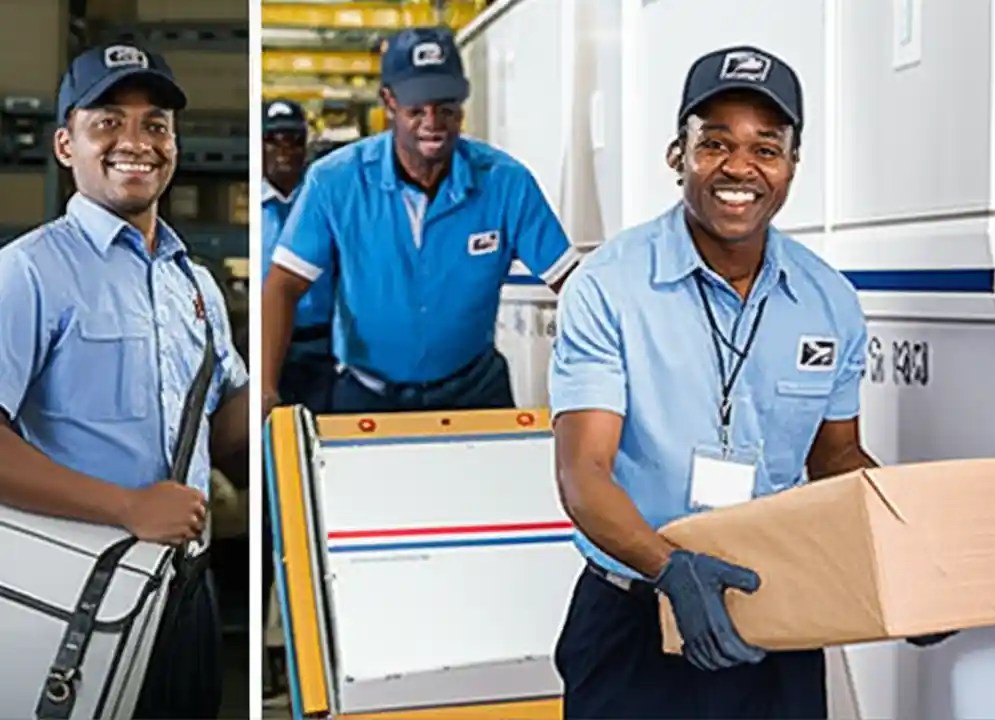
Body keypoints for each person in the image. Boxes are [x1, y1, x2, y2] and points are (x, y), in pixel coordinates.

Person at [547, 45, 878, 719]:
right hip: (633, 617)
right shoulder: (609, 287)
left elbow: (837, 458)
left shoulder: (829, 301)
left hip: (775, 613)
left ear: (791, 165)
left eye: (766, 147)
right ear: (678, 155)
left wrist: (902, 555)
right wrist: (671, 569)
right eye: (715, 142)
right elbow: (585, 472)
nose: (740, 168)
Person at [0, 44, 249, 719]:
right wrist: (126, 506)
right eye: (107, 121)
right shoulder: (27, 273)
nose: (136, 142)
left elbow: (226, 429)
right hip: (74, 592)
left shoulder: (192, 282)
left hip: (184, 594)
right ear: (64, 144)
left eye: (156, 124)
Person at [262, 25, 579, 415]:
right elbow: (283, 285)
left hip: (473, 389)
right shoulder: (336, 182)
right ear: (389, 101)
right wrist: (265, 388)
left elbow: (575, 284)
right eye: (416, 107)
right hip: (367, 396)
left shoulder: (504, 183)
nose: (432, 121)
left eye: (445, 106)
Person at [262, 99, 334, 413]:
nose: (285, 150)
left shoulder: (324, 198)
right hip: (263, 343)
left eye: (294, 141)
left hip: (320, 345)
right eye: (273, 141)